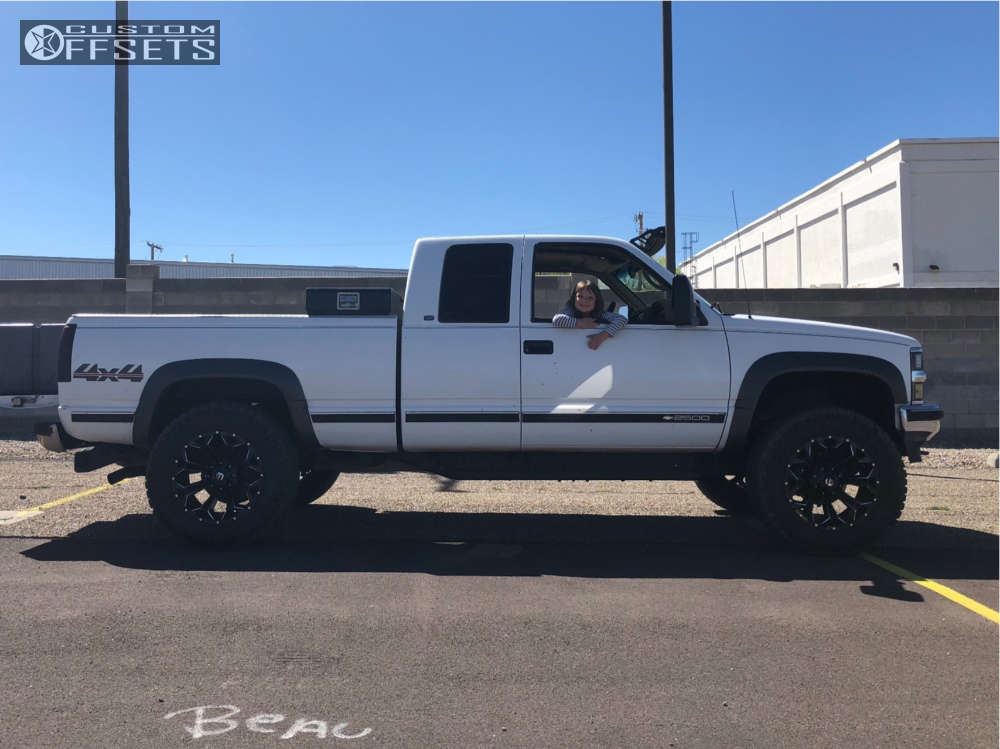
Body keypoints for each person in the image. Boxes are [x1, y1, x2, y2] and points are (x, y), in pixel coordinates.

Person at [552, 280, 627, 350]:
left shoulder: (600, 314)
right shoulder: (571, 312)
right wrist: (580, 323)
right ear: (574, 298)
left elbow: (622, 319)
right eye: (580, 296)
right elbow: (556, 320)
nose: (584, 301)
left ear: (596, 301)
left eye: (590, 298)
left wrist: (602, 336)